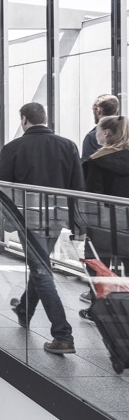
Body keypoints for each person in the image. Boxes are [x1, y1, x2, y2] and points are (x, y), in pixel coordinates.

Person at [0, 102, 83, 355]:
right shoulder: (68, 146)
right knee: (40, 265)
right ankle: (24, 310)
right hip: (57, 217)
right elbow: (78, 187)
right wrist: (78, 223)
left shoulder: (14, 147)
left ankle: (62, 334)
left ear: (24, 120)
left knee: (41, 271)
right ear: (45, 119)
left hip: (27, 218)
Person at [80, 114, 129, 298]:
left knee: (98, 264)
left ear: (106, 133)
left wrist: (83, 225)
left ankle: (100, 304)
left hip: (104, 225)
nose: (96, 134)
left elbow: (92, 197)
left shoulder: (96, 162)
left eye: (97, 131)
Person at [82, 94, 120, 160]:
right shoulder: (125, 132)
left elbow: (87, 164)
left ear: (98, 110)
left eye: (93, 109)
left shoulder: (92, 137)